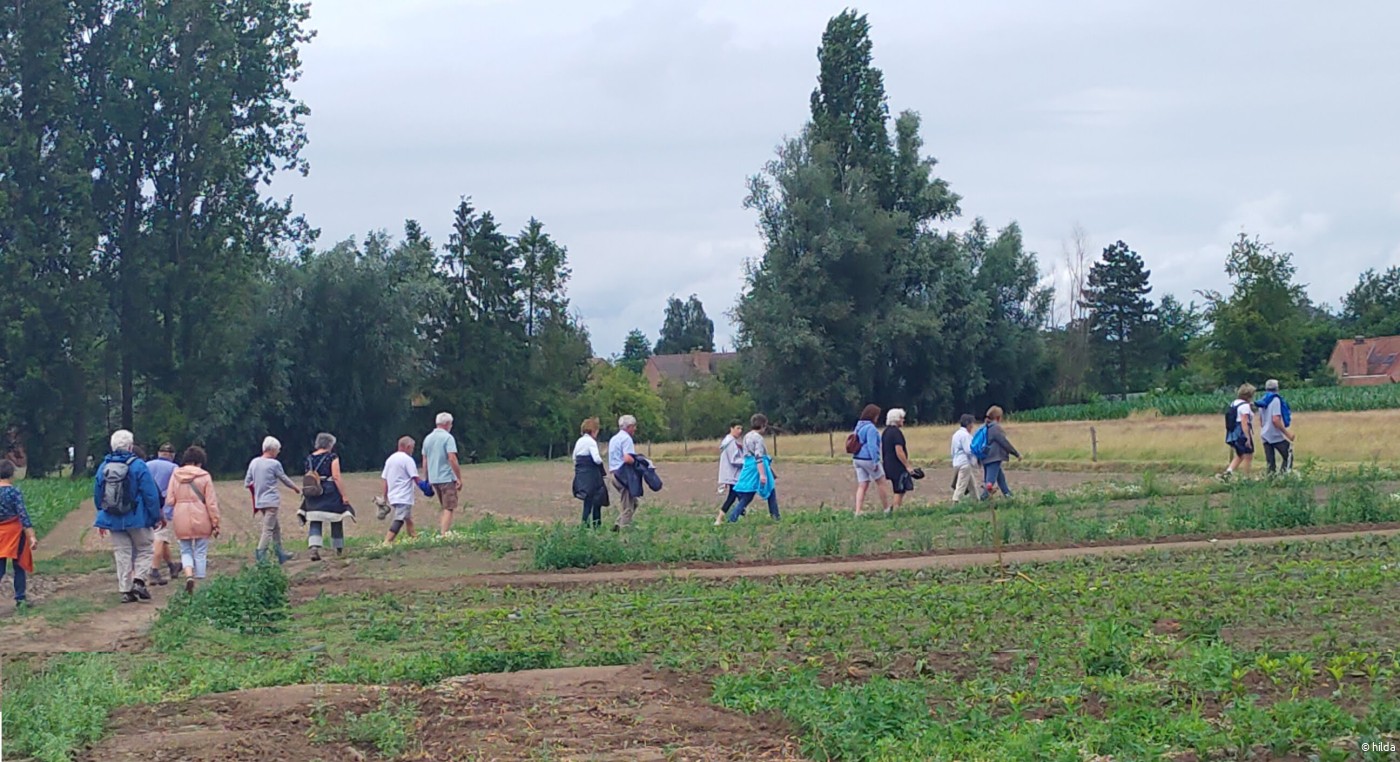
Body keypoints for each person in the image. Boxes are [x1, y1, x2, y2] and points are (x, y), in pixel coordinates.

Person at [94, 430, 163, 603]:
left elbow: (98, 494)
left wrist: (102, 513)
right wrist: (155, 517)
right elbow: (151, 494)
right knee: (145, 548)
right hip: (137, 517)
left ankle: (125, 590)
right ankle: (139, 580)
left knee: (122, 553)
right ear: (131, 446)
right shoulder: (138, 465)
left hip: (113, 517)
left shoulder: (103, 466)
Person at [165, 446, 220, 594]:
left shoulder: (175, 475)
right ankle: (200, 582)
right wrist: (215, 522)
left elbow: (169, 500)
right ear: (199, 461)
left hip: (181, 515)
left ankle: (189, 575)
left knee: (185, 549)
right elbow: (211, 502)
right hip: (201, 514)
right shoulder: (205, 476)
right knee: (200, 551)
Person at [244, 437, 299, 564]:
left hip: (260, 501)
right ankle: (260, 555)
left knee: (275, 528)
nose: (278, 452)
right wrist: (295, 488)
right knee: (268, 529)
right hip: (271, 501)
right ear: (272, 449)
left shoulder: (254, 462)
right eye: (278, 450)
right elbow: (283, 478)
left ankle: (280, 553)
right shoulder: (274, 464)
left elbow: (247, 482)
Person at [301, 433, 352, 561]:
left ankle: (314, 547)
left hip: (313, 492)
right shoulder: (332, 457)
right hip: (329, 491)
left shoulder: (309, 458)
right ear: (330, 444)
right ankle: (338, 549)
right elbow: (336, 477)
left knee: (315, 519)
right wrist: (344, 495)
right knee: (336, 518)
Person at [723, 414, 781, 523]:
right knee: (770, 488)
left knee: (747, 495)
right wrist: (763, 474)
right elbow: (758, 456)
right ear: (763, 425)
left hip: (748, 465)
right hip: (758, 466)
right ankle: (775, 516)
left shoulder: (747, 436)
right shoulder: (758, 438)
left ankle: (733, 517)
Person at [0, 459, 37, 609]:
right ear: (12, 474)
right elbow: (23, 515)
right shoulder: (14, 492)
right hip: (15, 533)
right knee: (19, 566)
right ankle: (20, 599)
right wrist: (31, 536)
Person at [144, 443, 180, 586]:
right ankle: (154, 570)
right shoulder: (174, 468)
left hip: (146, 506)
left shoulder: (147, 465)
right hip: (164, 507)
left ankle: (172, 566)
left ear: (159, 453)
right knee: (159, 538)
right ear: (172, 455)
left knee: (162, 538)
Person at [421, 412, 462, 535]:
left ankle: (443, 530)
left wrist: (427, 478)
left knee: (444, 507)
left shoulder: (428, 438)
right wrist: (458, 477)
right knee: (449, 507)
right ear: (447, 424)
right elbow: (452, 458)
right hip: (446, 477)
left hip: (434, 478)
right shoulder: (448, 438)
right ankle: (444, 534)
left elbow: (425, 460)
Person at [376, 436, 419, 544]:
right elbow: (415, 477)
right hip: (404, 496)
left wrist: (384, 497)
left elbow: (385, 480)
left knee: (407, 518)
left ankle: (414, 538)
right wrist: (425, 487)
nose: (412, 451)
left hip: (393, 495)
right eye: (412, 448)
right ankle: (387, 542)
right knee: (399, 519)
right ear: (408, 447)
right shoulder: (407, 460)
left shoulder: (390, 459)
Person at [851, 404, 892, 516]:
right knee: (881, 482)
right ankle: (886, 509)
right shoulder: (871, 428)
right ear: (873, 415)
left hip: (857, 458)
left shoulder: (858, 426)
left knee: (862, 484)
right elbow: (872, 446)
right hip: (868, 458)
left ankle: (858, 511)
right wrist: (875, 461)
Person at [571, 418, 608, 528]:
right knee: (598, 499)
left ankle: (584, 524)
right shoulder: (591, 442)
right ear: (593, 430)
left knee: (587, 501)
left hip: (582, 475)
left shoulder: (579, 441)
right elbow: (596, 459)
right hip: (592, 475)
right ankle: (597, 525)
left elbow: (574, 458)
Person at [979, 406, 1022, 500]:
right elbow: (1004, 442)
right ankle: (982, 499)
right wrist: (1016, 454)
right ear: (998, 417)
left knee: (1001, 479)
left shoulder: (985, 427)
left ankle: (1009, 496)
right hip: (994, 458)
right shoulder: (995, 428)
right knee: (990, 482)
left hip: (985, 457)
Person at [607, 414, 640, 530]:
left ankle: (618, 524)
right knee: (628, 507)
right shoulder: (626, 439)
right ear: (629, 426)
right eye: (634, 426)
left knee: (633, 502)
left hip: (613, 475)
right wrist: (640, 463)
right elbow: (627, 458)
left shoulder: (614, 439)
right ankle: (622, 529)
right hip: (623, 475)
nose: (635, 429)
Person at [1258, 379, 1296, 475]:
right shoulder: (1275, 400)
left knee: (1270, 462)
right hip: (1274, 434)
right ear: (1277, 388)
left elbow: (1261, 420)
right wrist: (1288, 434)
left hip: (1264, 434)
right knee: (1288, 455)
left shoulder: (1262, 401)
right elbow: (1275, 420)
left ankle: (1271, 479)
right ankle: (1284, 476)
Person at [882, 408, 914, 513]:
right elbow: (899, 451)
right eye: (901, 418)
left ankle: (894, 508)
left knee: (899, 488)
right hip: (897, 465)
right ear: (896, 419)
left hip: (887, 464)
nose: (903, 420)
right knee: (899, 489)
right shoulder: (897, 433)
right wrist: (907, 465)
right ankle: (895, 510)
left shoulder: (885, 432)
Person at [1223, 383, 1256, 479]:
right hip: (1242, 433)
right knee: (1248, 455)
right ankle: (1246, 477)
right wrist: (1247, 438)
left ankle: (1228, 473)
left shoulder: (1234, 403)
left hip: (1233, 433)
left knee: (1240, 454)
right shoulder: (1245, 406)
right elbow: (1244, 422)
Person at [715, 422, 744, 524]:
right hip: (733, 474)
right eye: (738, 428)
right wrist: (747, 462)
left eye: (741, 429)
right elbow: (734, 459)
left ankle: (741, 514)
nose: (740, 431)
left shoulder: (728, 441)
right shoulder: (731, 442)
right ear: (731, 428)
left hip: (731, 474)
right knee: (734, 496)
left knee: (738, 495)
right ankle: (720, 518)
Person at [950, 414, 978, 502]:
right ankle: (956, 501)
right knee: (961, 485)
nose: (972, 426)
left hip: (957, 462)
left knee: (972, 485)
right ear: (968, 424)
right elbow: (969, 450)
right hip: (964, 463)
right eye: (972, 424)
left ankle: (976, 500)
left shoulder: (956, 435)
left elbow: (952, 450)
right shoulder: (966, 435)